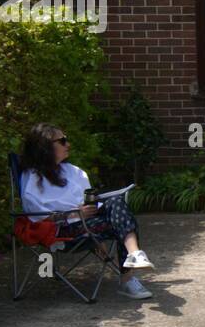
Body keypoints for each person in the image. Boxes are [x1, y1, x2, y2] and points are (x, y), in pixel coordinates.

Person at [18, 123, 154, 300]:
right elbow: (36, 216)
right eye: (63, 140)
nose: (68, 144)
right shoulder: (33, 177)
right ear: (45, 146)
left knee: (116, 201)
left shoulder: (74, 172)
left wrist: (89, 211)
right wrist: (74, 214)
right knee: (124, 222)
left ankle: (134, 254)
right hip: (62, 230)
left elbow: (90, 201)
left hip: (89, 223)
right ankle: (128, 276)